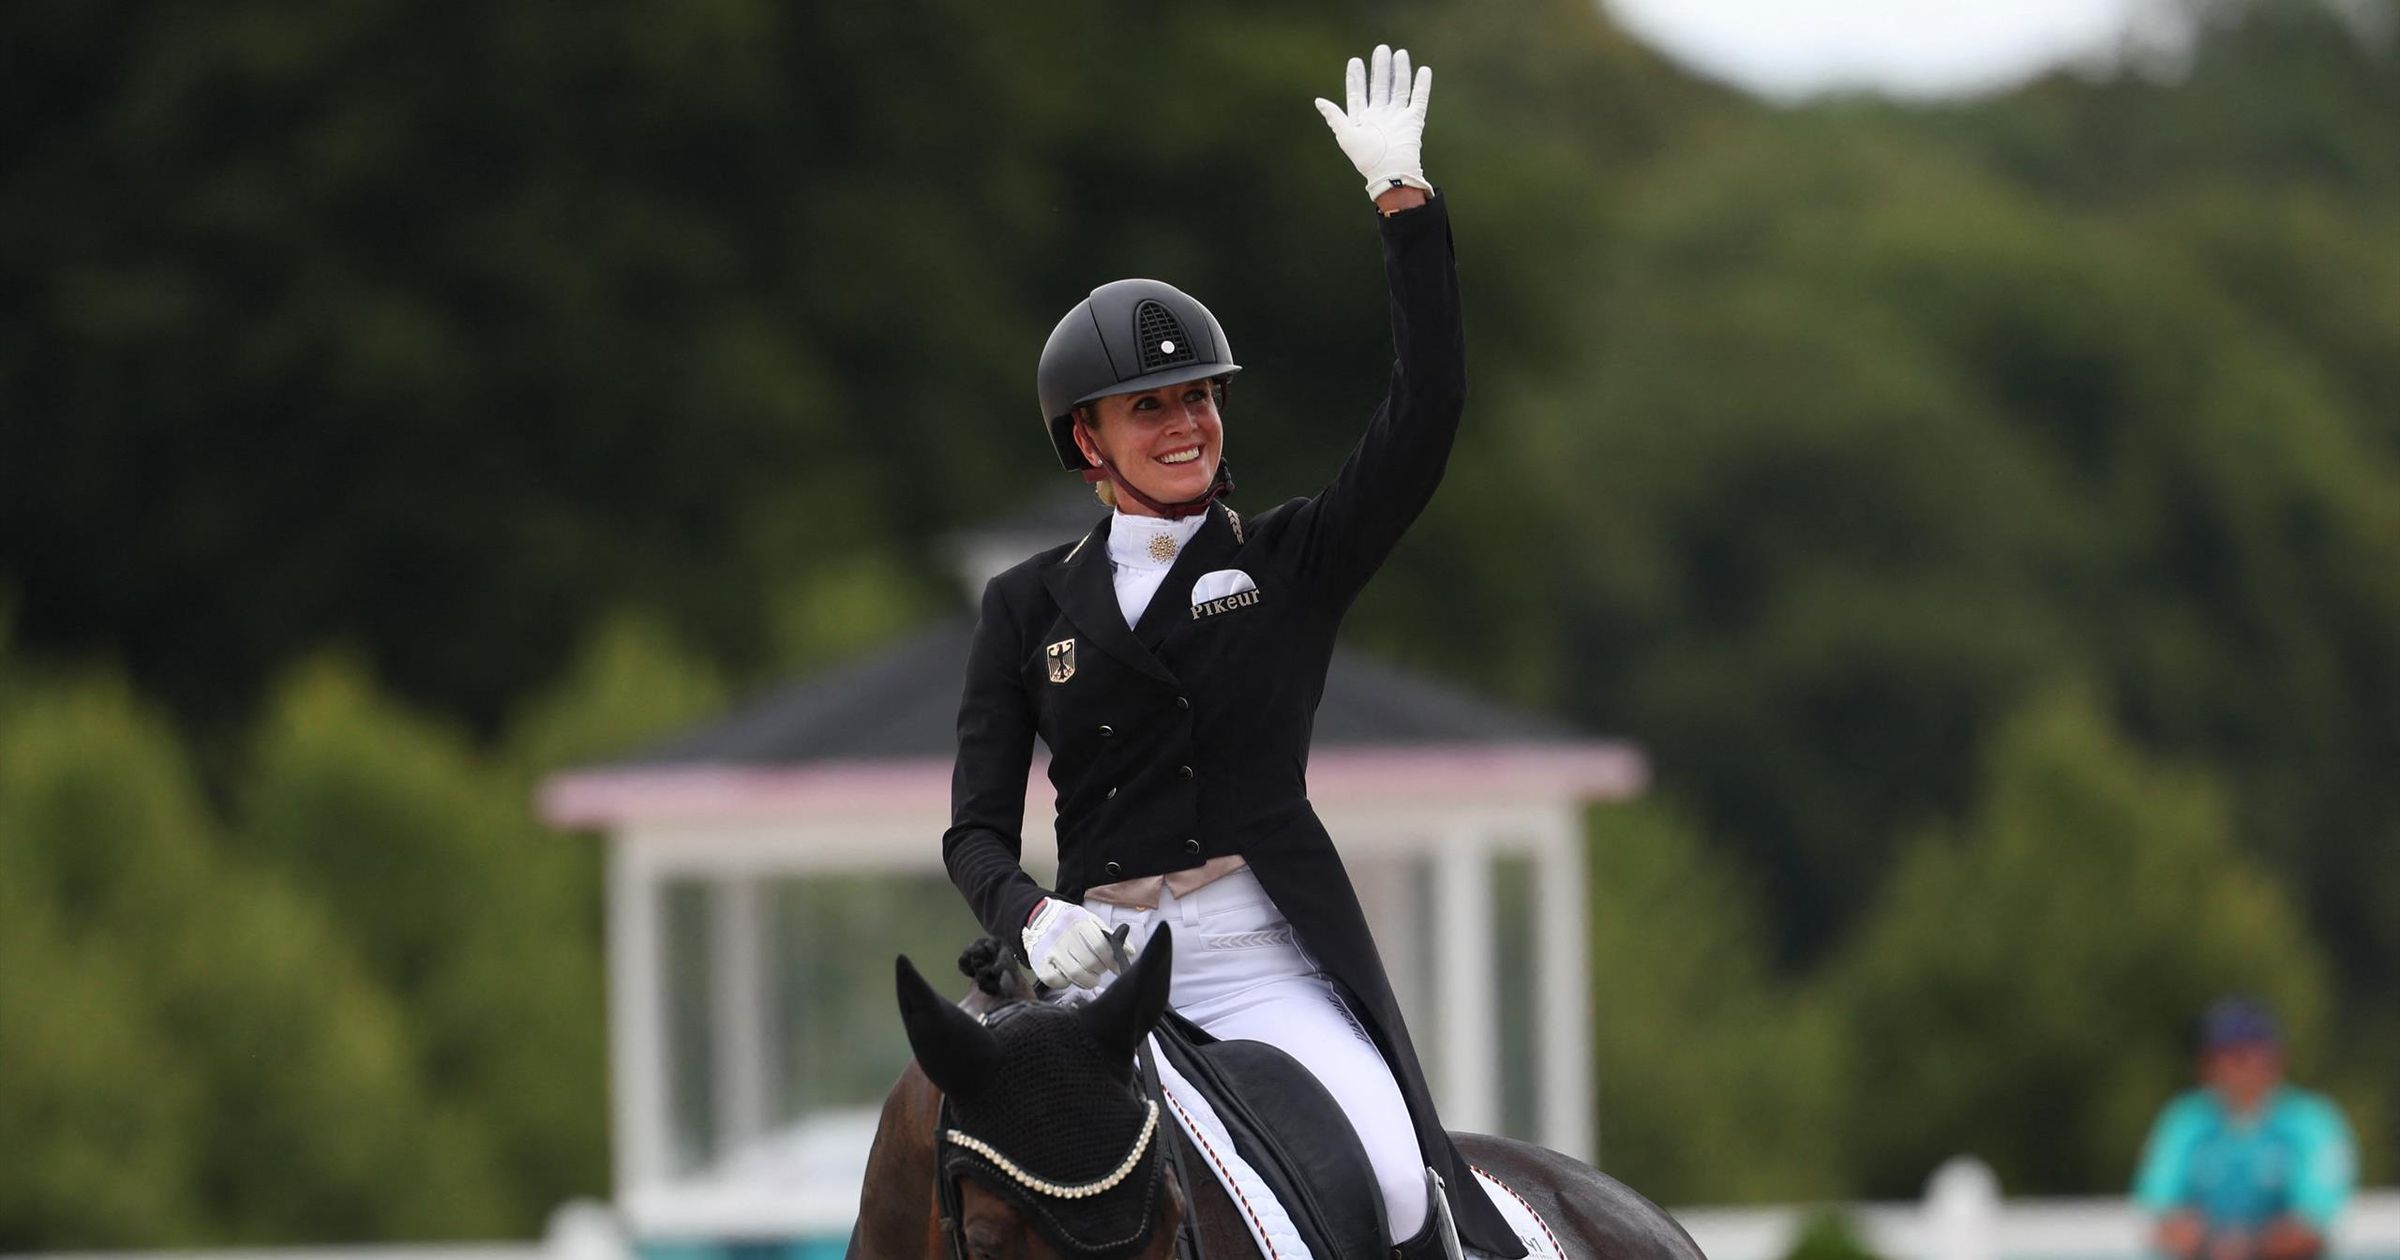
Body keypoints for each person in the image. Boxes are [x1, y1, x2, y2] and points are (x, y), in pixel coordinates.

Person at [941, 42, 1523, 1260]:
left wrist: (1404, 211)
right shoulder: (1022, 608)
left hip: (1265, 962)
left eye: (1200, 398)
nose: (1187, 423)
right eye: (1151, 406)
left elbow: (1427, 412)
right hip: (1095, 984)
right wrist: (1028, 916)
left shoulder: (1289, 563)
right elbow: (977, 828)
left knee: (1405, 1195)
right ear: (1085, 440)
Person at [2134, 998, 2358, 1260]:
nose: (2227, 1068)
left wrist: (2241, 1248)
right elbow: (2161, 1213)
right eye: (2217, 1055)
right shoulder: (2184, 1121)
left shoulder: (2311, 1123)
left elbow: (2312, 1222)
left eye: (2239, 1056)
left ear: (2274, 1058)